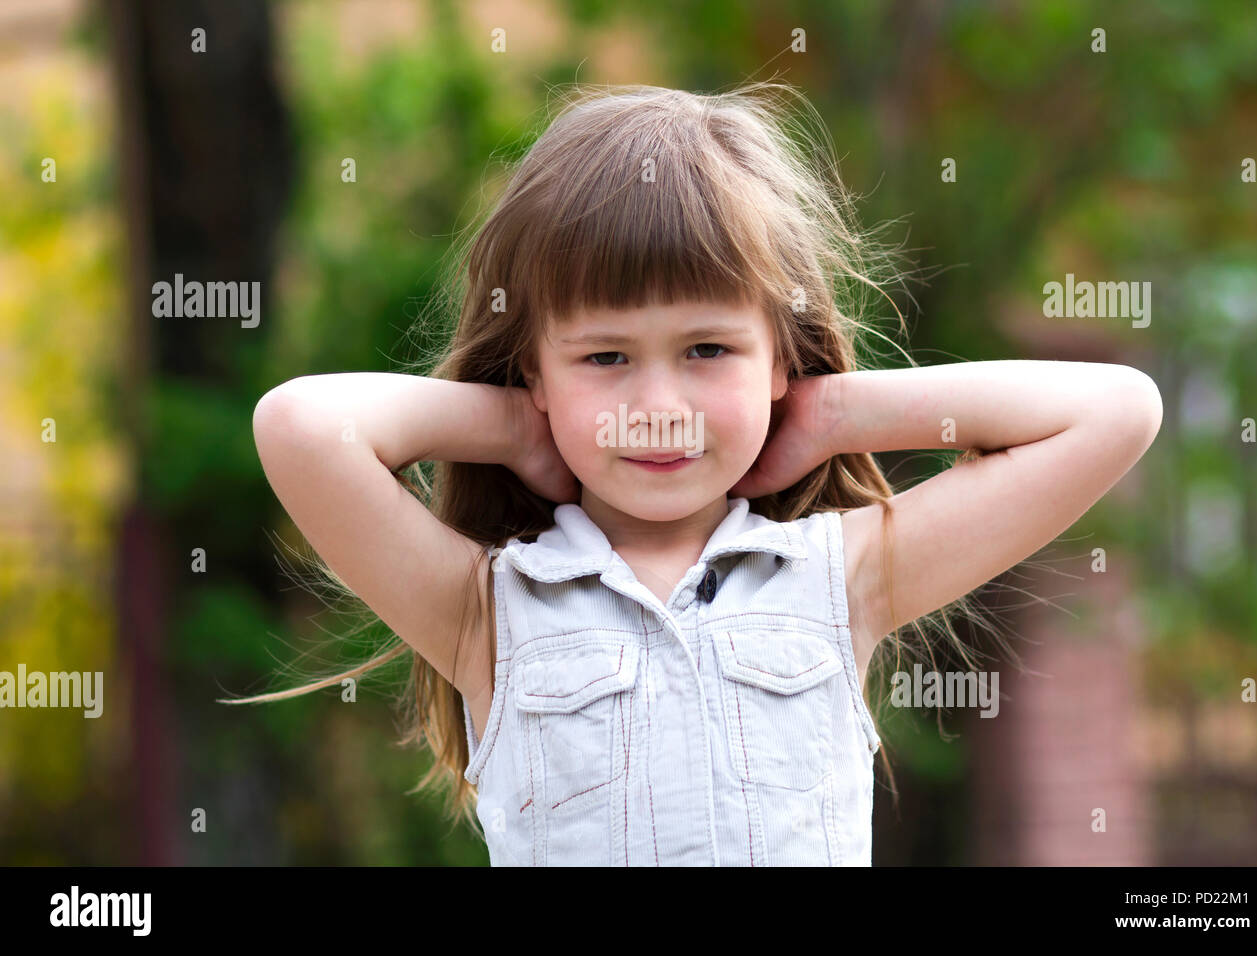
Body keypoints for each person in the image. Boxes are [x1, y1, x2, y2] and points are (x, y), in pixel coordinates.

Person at [232, 83, 1162, 865]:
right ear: (536, 372)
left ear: (779, 360)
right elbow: (301, 428)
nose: (658, 403)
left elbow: (1116, 412)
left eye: (709, 349)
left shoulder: (844, 579)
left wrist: (830, 413)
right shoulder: (486, 612)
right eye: (604, 359)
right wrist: (518, 426)